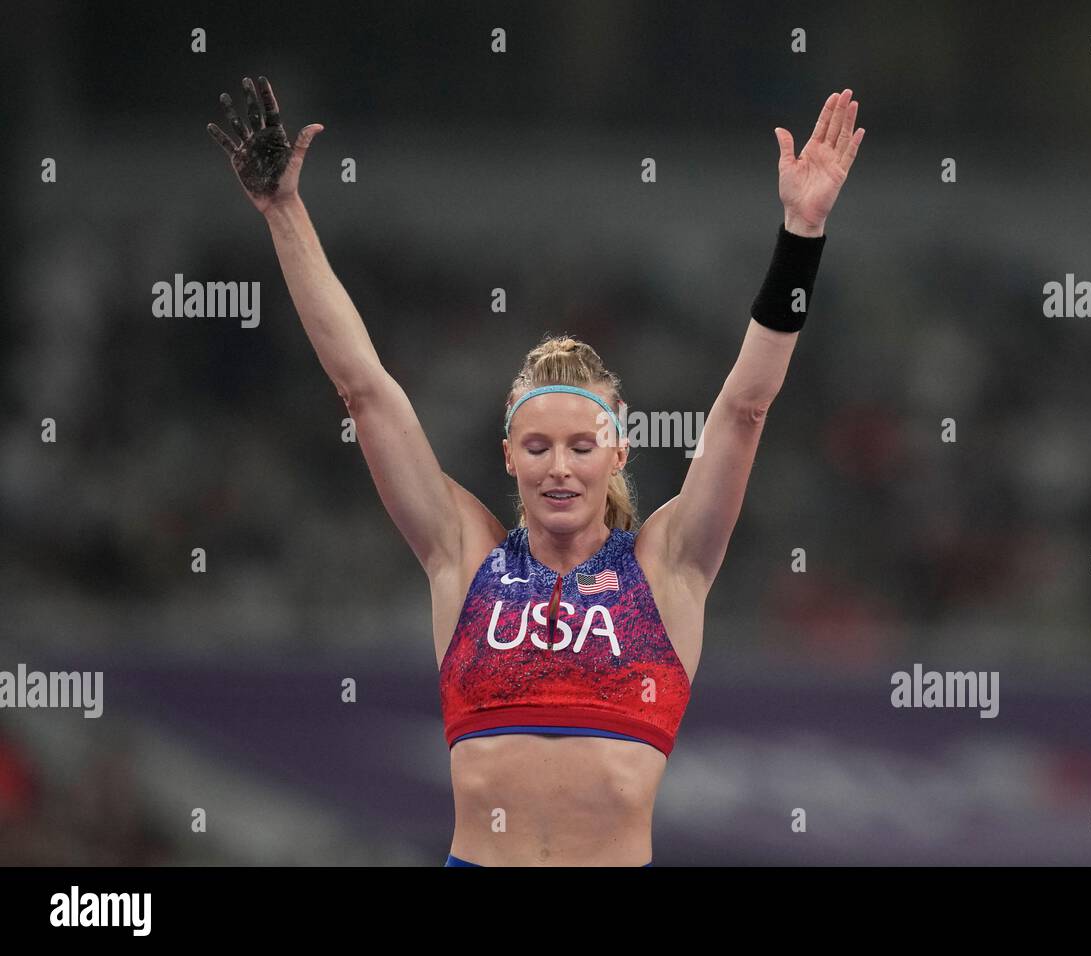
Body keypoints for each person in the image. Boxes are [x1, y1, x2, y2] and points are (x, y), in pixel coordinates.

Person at [207, 76, 864, 865]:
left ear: (618, 453)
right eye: (539, 446)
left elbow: (745, 406)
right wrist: (284, 211)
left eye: (582, 447)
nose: (560, 468)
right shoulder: (464, 555)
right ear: (508, 455)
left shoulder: (668, 566)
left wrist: (802, 233)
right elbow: (364, 390)